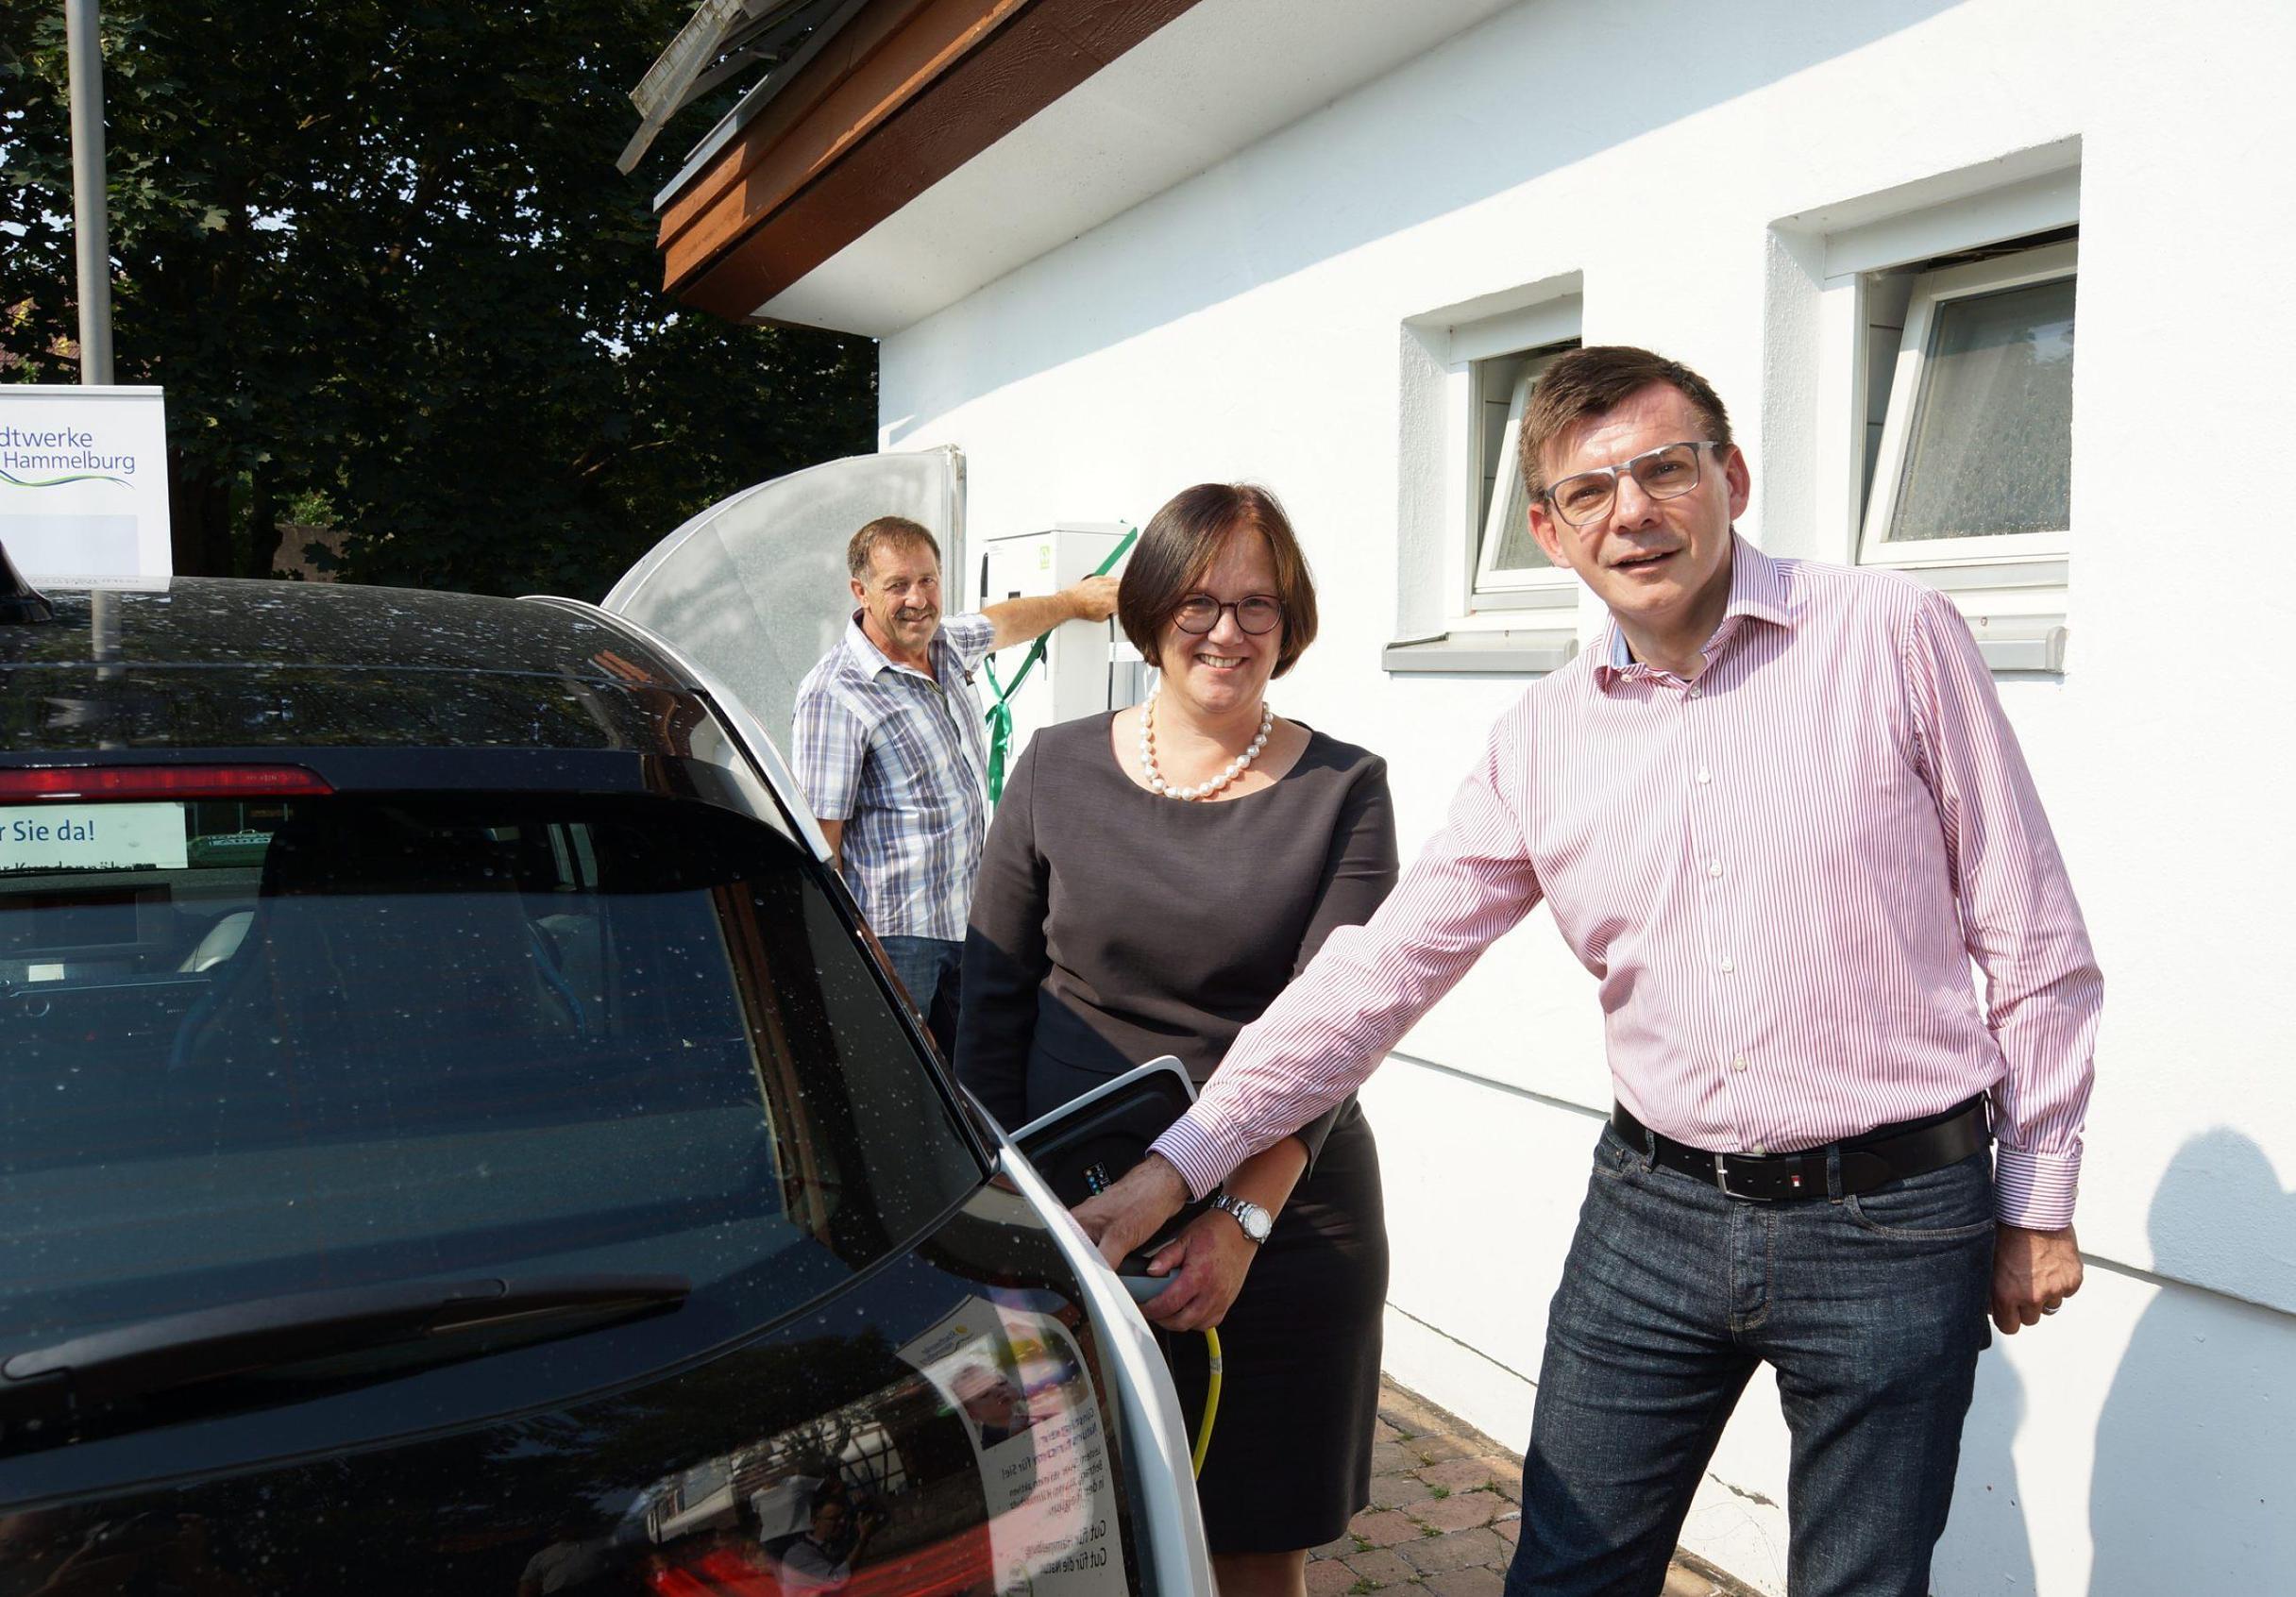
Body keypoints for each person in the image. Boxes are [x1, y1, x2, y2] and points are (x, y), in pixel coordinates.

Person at [1074, 348, 2102, 1597]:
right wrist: (1176, 1166)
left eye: (1663, 468)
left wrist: (2038, 1194)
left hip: (1894, 1220)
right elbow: (1375, 977)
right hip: (1654, 1218)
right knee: (1565, 1575)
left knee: (1863, 1584)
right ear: (1548, 531)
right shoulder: (1543, 741)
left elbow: (2031, 933)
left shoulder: (1893, 636)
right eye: (1589, 489)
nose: (1633, 510)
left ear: (1729, 474)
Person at [954, 483, 1396, 1597]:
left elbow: (1332, 1030)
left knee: (1248, 1552)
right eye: (1198, 600)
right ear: (1148, 611)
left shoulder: (1346, 791)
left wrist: (1240, 1220)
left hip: (1282, 1217)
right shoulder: (1053, 767)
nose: (1227, 631)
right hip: (1075, 1212)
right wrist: (1004, 1225)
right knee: (1066, 1545)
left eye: (1259, 605)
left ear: (1290, 623)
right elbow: (990, 1008)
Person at [792, 515, 1118, 1051]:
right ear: (861, 592)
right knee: (899, 1071)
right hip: (895, 936)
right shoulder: (836, 693)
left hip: (971, 920)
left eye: (927, 580)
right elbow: (823, 843)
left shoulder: (945, 645)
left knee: (977, 1068)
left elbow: (1004, 622)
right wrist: (852, 949)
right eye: (897, 585)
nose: (917, 599)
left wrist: (1072, 602)